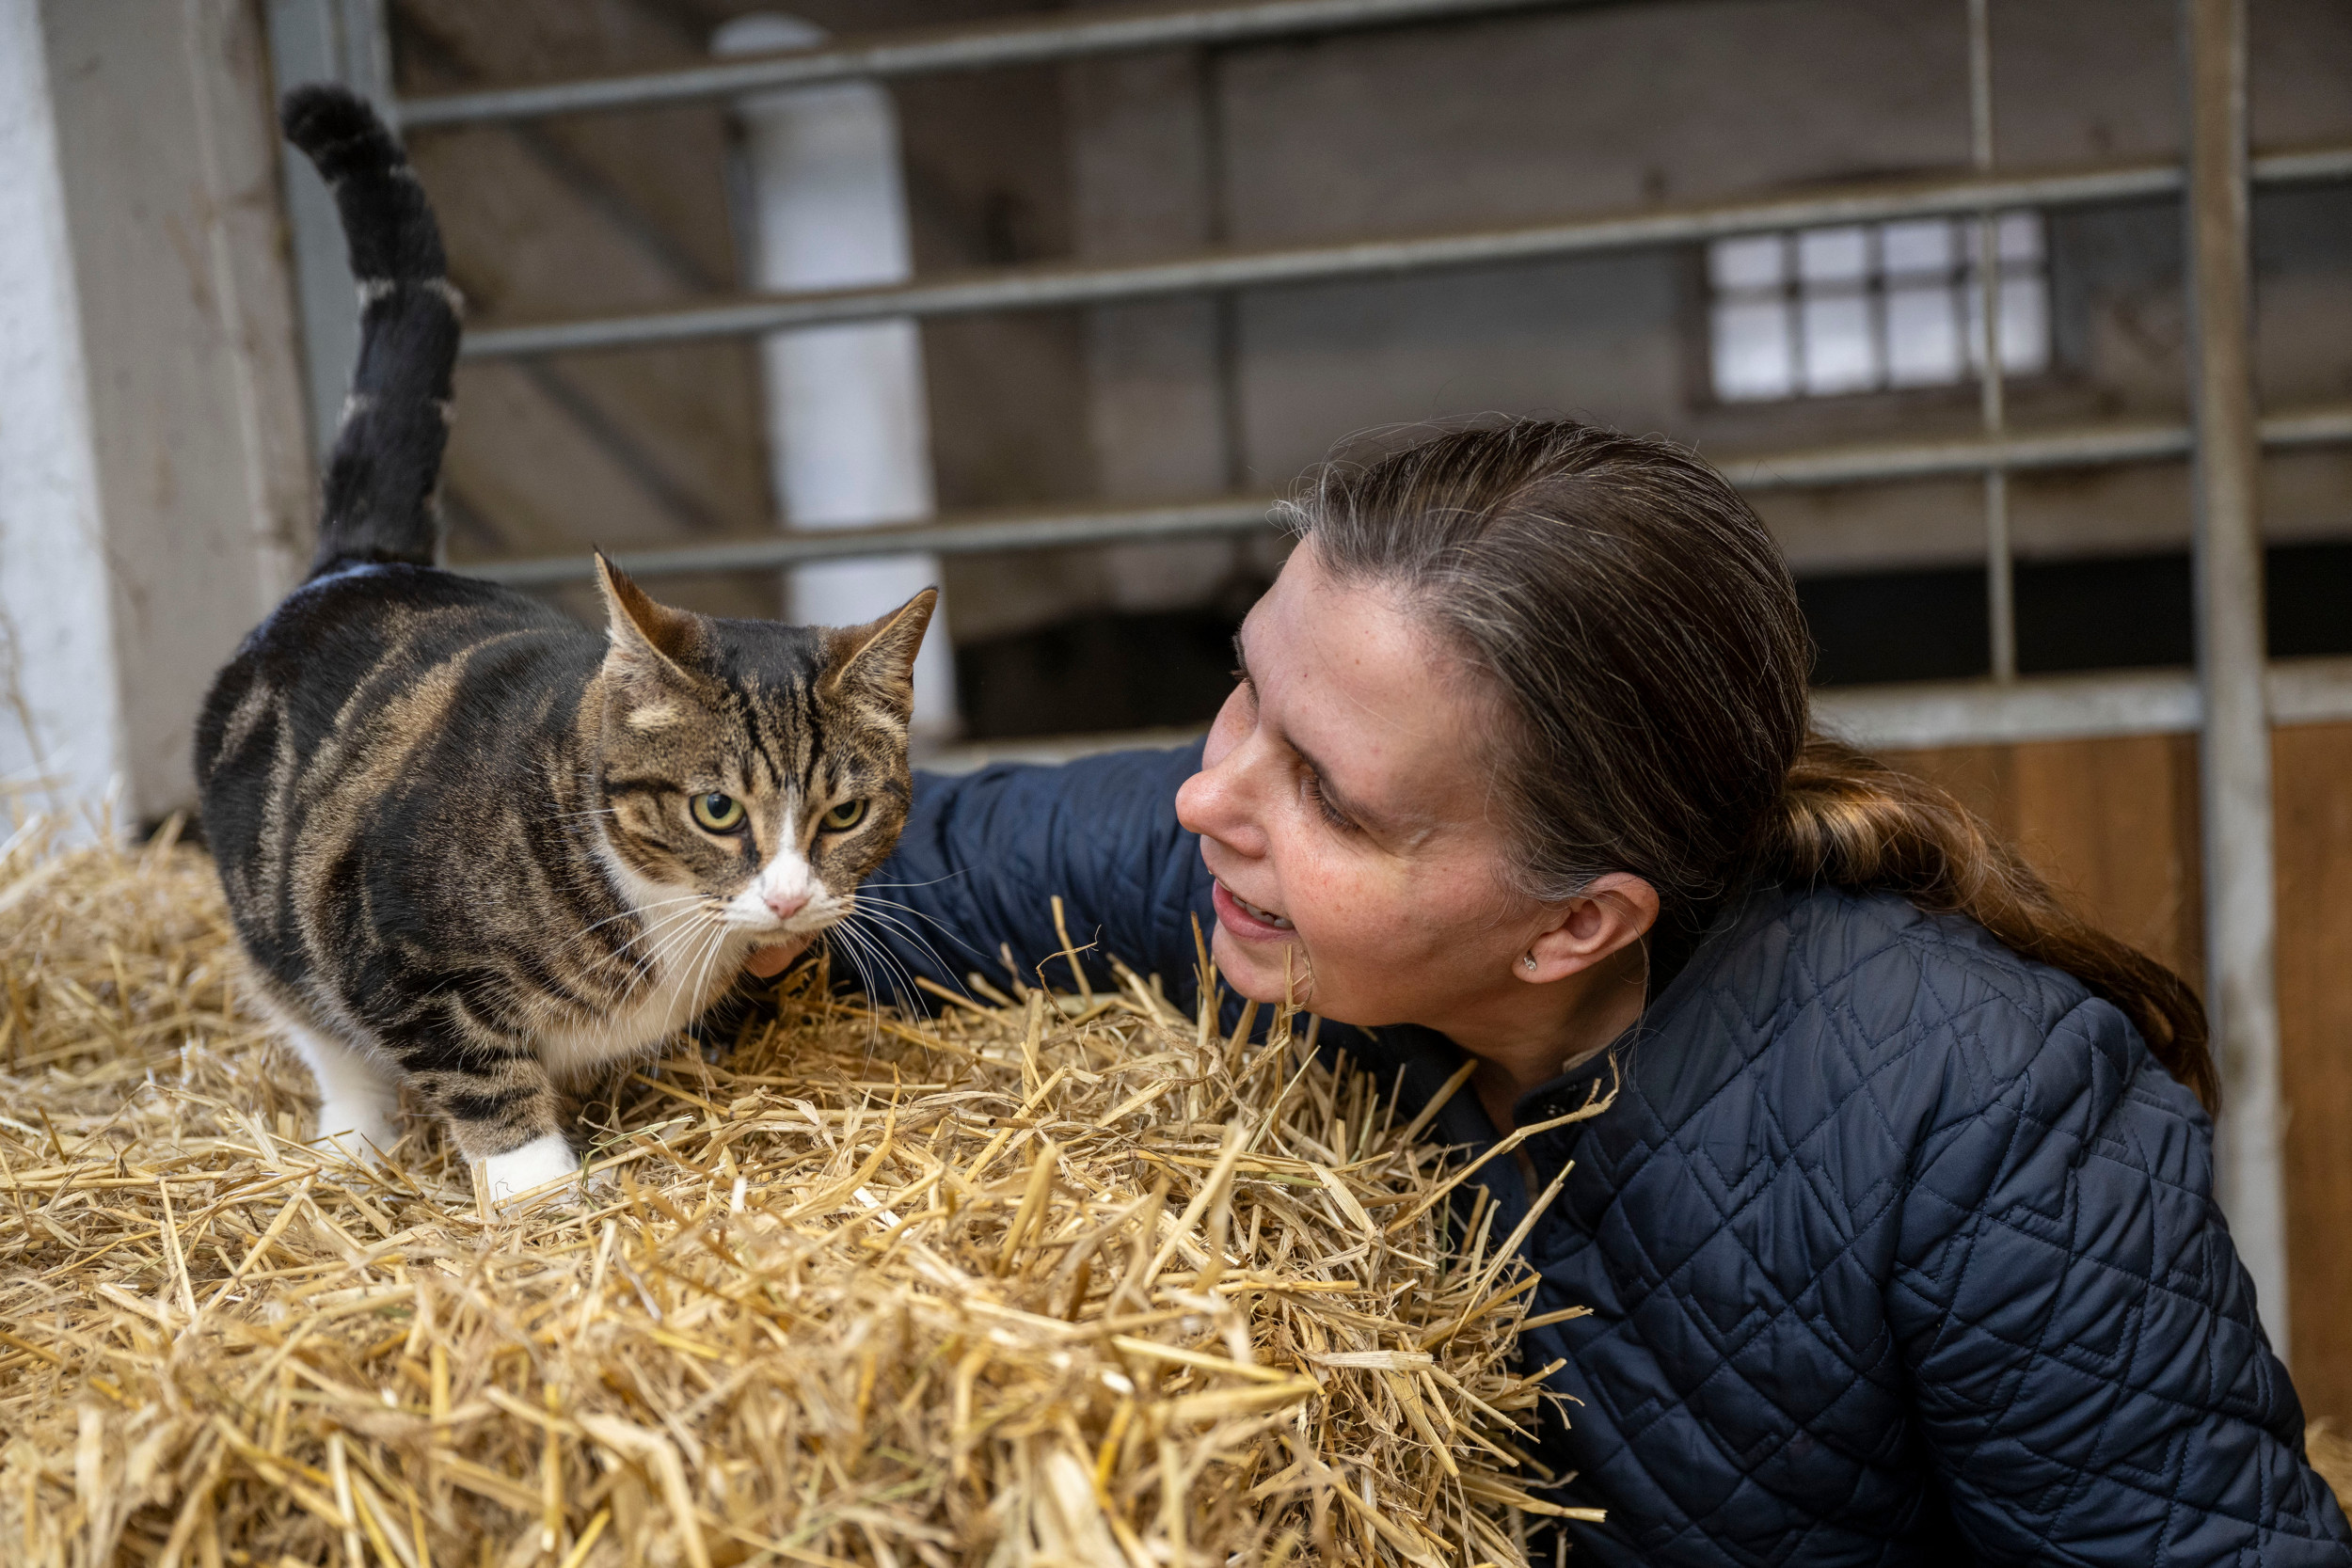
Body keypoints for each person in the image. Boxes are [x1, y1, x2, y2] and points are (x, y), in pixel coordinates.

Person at [749, 418, 2351, 1565]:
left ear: (1573, 927)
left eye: (1333, 795)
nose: (1208, 796)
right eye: (1247, 687)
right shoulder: (1235, 887)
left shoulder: (1991, 1122)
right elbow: (869, 873)